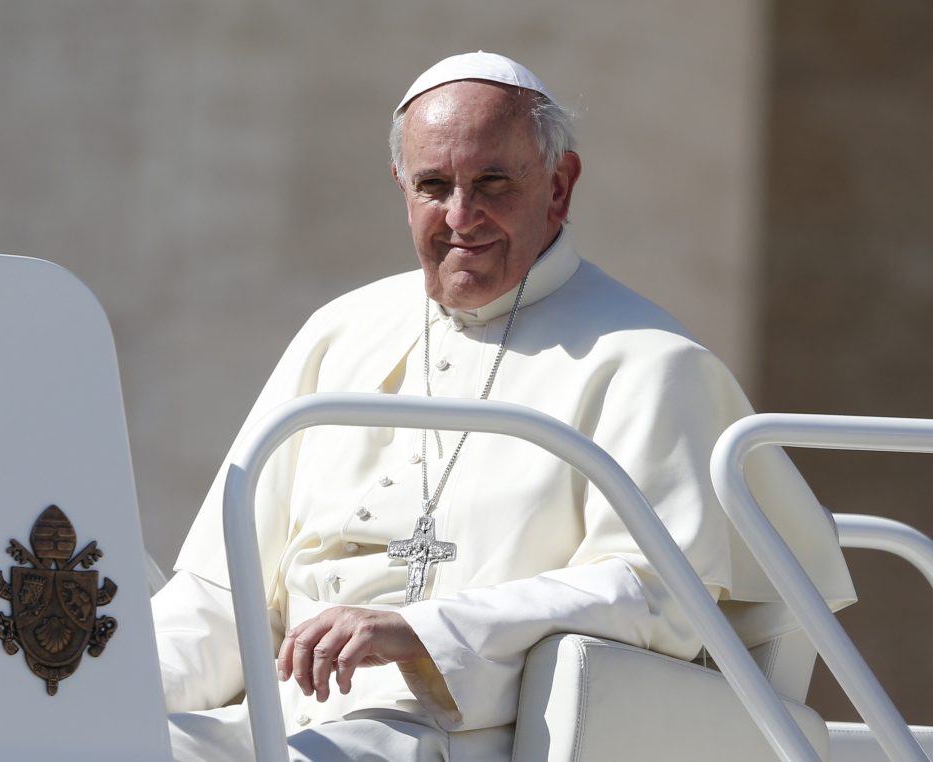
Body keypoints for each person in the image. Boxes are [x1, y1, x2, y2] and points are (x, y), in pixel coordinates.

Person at [151, 52, 854, 761]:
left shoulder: (649, 362)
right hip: (278, 720)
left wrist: (423, 632)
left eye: (492, 183)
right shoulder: (339, 333)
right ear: (401, 185)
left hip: (471, 733)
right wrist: (102, 685)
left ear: (559, 185)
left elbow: (657, 600)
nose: (461, 216)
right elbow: (219, 589)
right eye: (433, 186)